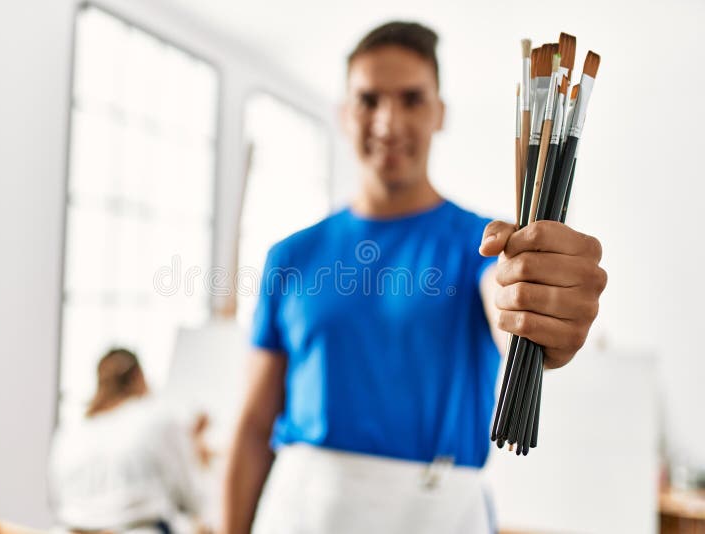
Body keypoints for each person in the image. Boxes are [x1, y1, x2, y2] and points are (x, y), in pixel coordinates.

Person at [222, 21, 607, 534]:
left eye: (411, 99)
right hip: (301, 511)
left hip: (435, 513)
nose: (388, 121)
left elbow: (505, 299)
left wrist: (539, 309)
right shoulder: (290, 256)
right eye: (368, 100)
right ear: (344, 113)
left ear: (439, 113)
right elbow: (253, 428)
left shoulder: (485, 246)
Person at [0, 348, 212, 534]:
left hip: (74, 526)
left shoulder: (71, 431)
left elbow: (56, 499)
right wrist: (200, 458)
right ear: (139, 377)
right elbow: (195, 500)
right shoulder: (157, 416)